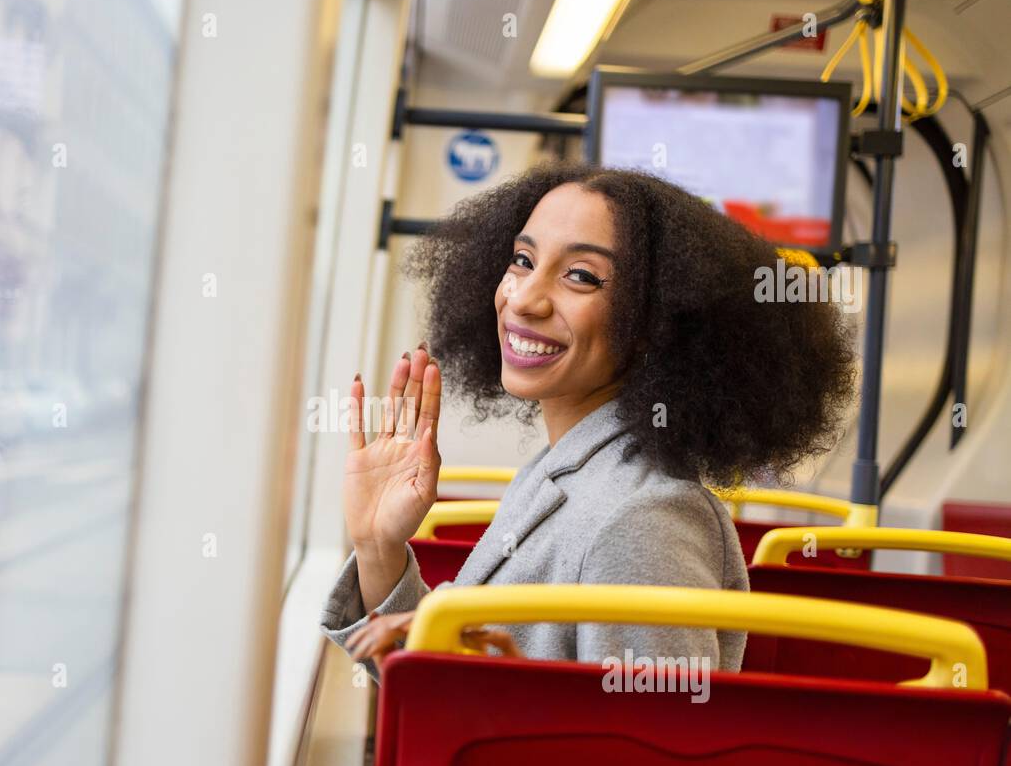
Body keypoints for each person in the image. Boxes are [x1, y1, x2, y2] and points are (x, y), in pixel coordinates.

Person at [319, 162, 856, 680]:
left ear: (654, 325)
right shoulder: (565, 469)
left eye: (580, 276)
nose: (524, 298)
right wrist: (378, 547)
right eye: (523, 261)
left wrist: (507, 689)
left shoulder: (646, 519)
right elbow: (439, 684)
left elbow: (652, 759)